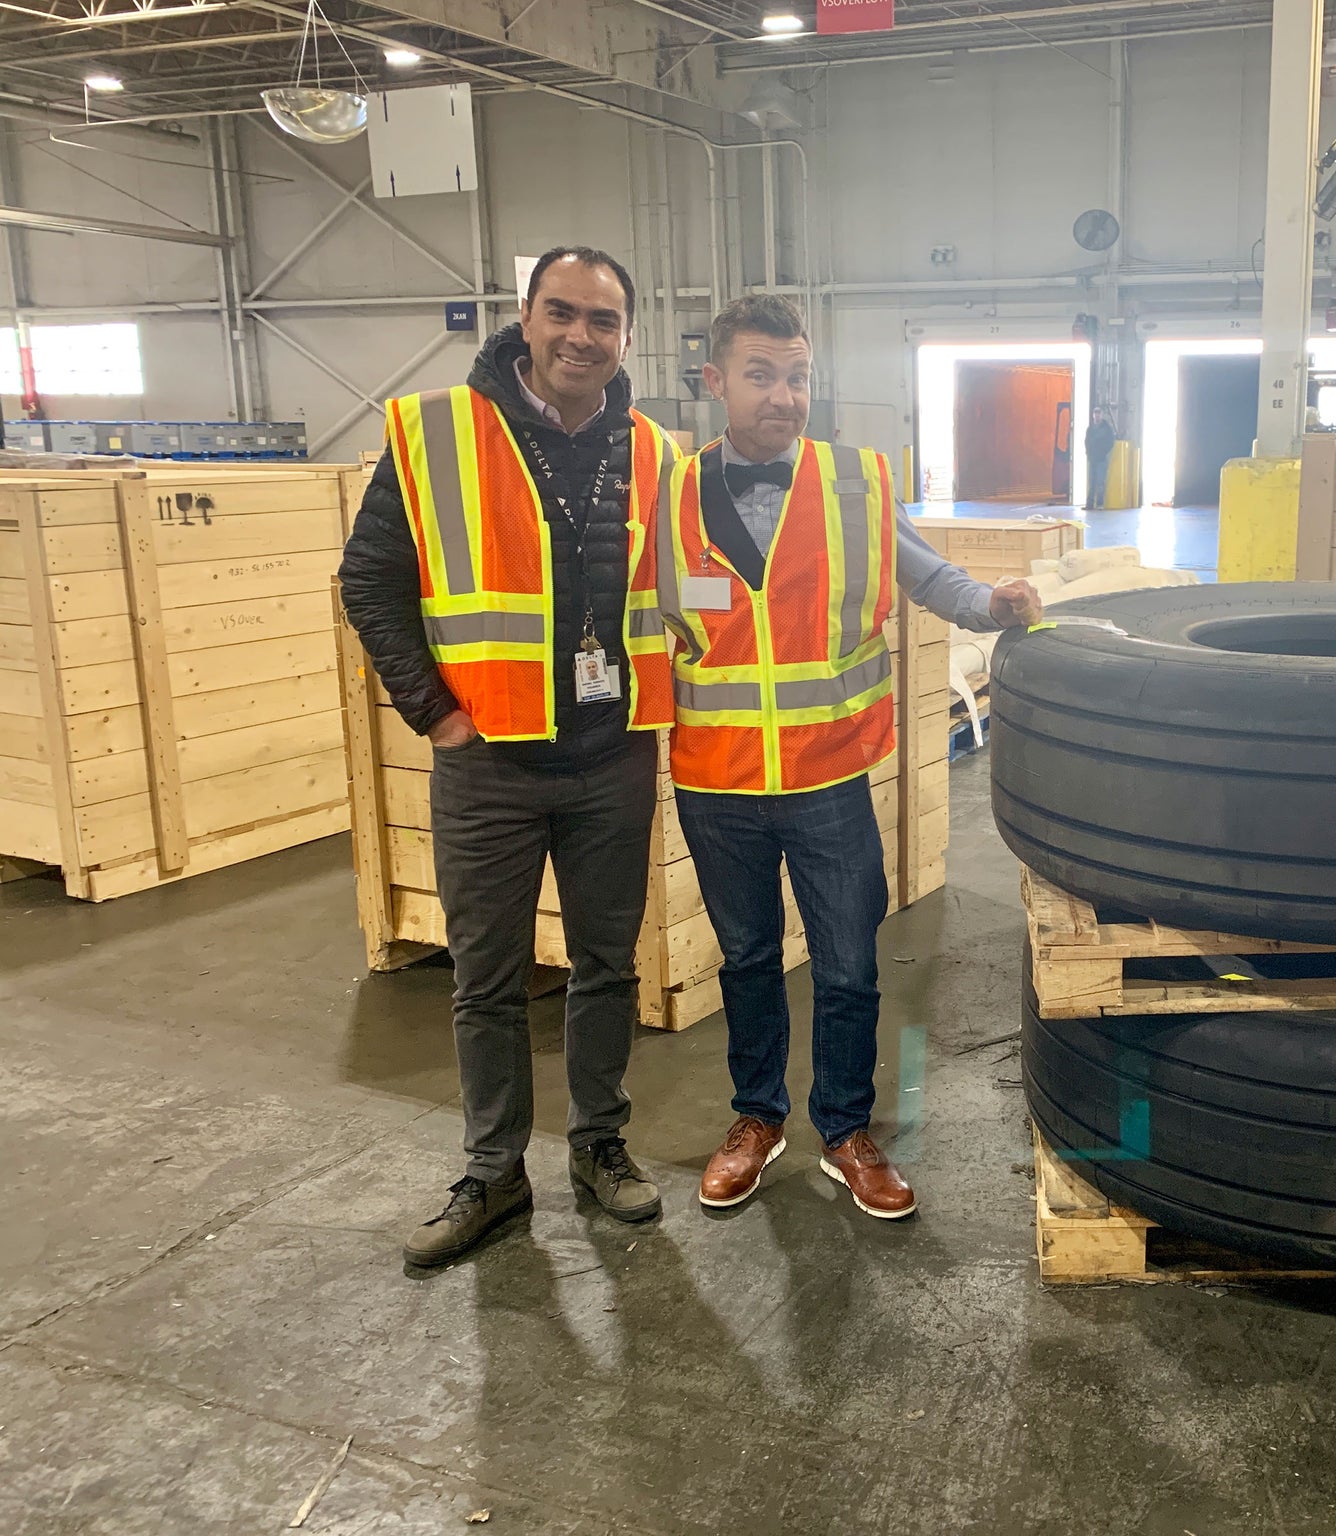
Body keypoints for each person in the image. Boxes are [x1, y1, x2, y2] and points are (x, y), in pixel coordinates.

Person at [339, 247, 683, 1267]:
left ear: (629, 336)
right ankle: (492, 1171)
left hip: (612, 755)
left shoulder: (653, 450)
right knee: (485, 978)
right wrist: (435, 714)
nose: (582, 336)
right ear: (525, 318)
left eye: (604, 321)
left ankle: (599, 1144)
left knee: (606, 967)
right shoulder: (437, 430)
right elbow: (370, 580)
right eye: (562, 313)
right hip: (486, 759)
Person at [670, 294, 1042, 1219]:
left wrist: (992, 605)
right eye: (760, 375)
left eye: (797, 375)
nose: (784, 396)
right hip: (715, 783)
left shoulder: (855, 484)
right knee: (749, 960)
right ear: (715, 382)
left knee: (847, 965)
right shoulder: (667, 494)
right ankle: (756, 1121)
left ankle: (843, 1130)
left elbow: (930, 576)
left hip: (830, 778)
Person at [1083, 406, 1115, 510]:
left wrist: (1103, 452)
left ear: (1102, 415)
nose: (1097, 415)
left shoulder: (1107, 429)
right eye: (1095, 413)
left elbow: (1110, 442)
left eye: (1099, 413)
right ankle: (1090, 504)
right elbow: (1087, 441)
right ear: (1093, 415)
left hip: (1101, 459)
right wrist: (1088, 453)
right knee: (1091, 482)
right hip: (1092, 459)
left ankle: (1100, 504)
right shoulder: (1090, 429)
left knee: (1100, 482)